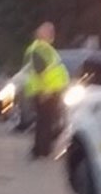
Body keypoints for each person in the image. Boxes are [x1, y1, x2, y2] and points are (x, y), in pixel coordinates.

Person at [24, 22, 69, 159]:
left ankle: (41, 149)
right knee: (45, 122)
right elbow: (40, 72)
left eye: (52, 31)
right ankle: (41, 150)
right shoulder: (40, 49)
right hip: (45, 92)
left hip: (48, 91)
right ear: (42, 34)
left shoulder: (45, 48)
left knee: (45, 122)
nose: (52, 34)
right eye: (49, 31)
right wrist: (46, 91)